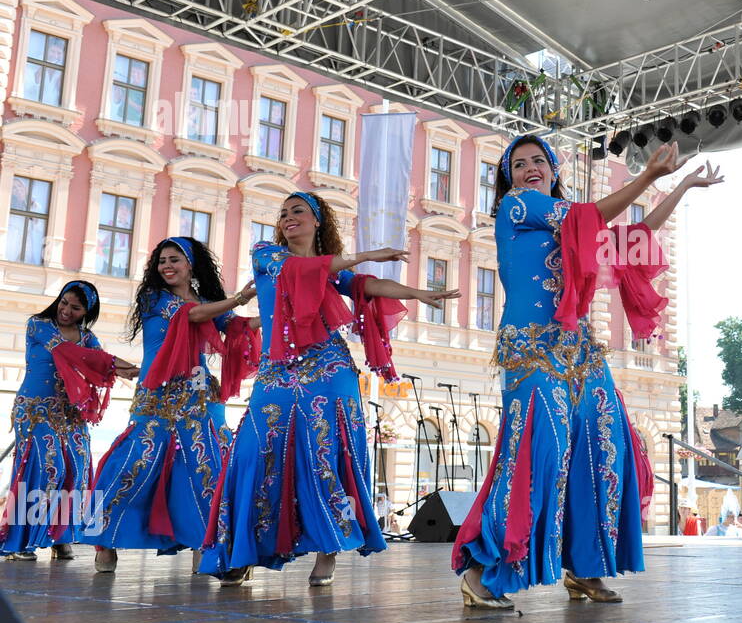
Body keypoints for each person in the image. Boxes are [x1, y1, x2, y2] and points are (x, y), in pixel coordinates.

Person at [452, 134, 723, 608]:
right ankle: (482, 570)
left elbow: (633, 240)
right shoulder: (517, 207)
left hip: (578, 352)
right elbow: (595, 216)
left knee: (605, 448)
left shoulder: (571, 225)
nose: (530, 168)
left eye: (540, 161)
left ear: (555, 171)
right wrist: (648, 176)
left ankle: (585, 568)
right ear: (508, 178)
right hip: (532, 350)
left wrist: (677, 187)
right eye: (519, 164)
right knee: (541, 454)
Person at [201, 190, 459, 587]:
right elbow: (302, 271)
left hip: (330, 369)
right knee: (253, 454)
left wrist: (419, 294)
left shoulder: (330, 270)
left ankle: (328, 546)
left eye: (298, 210)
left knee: (326, 456)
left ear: (318, 220)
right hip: (277, 373)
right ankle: (242, 548)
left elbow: (367, 287)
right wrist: (363, 254)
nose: (288, 216)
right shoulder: (266, 254)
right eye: (284, 211)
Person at [88, 237, 258, 574]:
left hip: (200, 399)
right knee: (134, 466)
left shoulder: (208, 302)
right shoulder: (155, 298)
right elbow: (190, 316)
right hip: (158, 398)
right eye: (162, 261)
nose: (167, 266)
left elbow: (237, 326)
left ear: (190, 265)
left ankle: (204, 544)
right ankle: (104, 539)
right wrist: (239, 297)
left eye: (174, 260)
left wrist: (275, 309)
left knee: (206, 469)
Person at [1, 282, 139, 560]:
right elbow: (74, 355)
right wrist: (121, 367)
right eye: (64, 302)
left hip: (70, 414)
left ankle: (60, 536)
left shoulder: (87, 337)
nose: (66, 310)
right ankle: (21, 541)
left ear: (87, 312)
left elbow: (96, 359)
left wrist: (136, 369)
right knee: (48, 469)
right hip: (35, 410)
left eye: (75, 307)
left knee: (76, 469)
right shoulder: (39, 326)